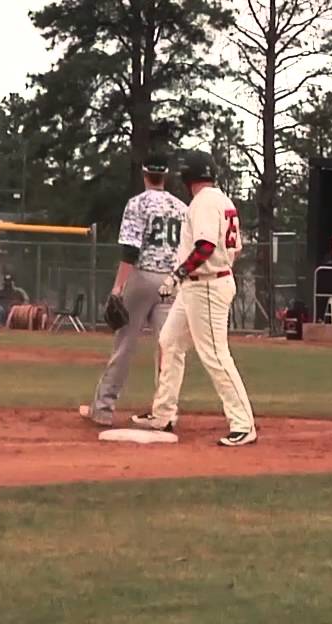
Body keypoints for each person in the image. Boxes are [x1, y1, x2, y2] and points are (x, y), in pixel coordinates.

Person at [132, 151, 257, 447]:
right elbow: (234, 249)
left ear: (188, 176)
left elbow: (204, 246)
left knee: (215, 355)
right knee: (170, 342)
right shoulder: (222, 200)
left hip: (207, 287)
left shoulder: (203, 202)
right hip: (200, 285)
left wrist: (177, 275)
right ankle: (163, 415)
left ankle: (243, 424)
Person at [80, 154, 187, 427]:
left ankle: (103, 409)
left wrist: (118, 287)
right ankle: (167, 413)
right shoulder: (181, 207)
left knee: (125, 345)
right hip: (172, 282)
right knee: (167, 348)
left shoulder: (137, 204)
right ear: (166, 175)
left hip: (142, 277)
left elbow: (130, 251)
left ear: (144, 173)